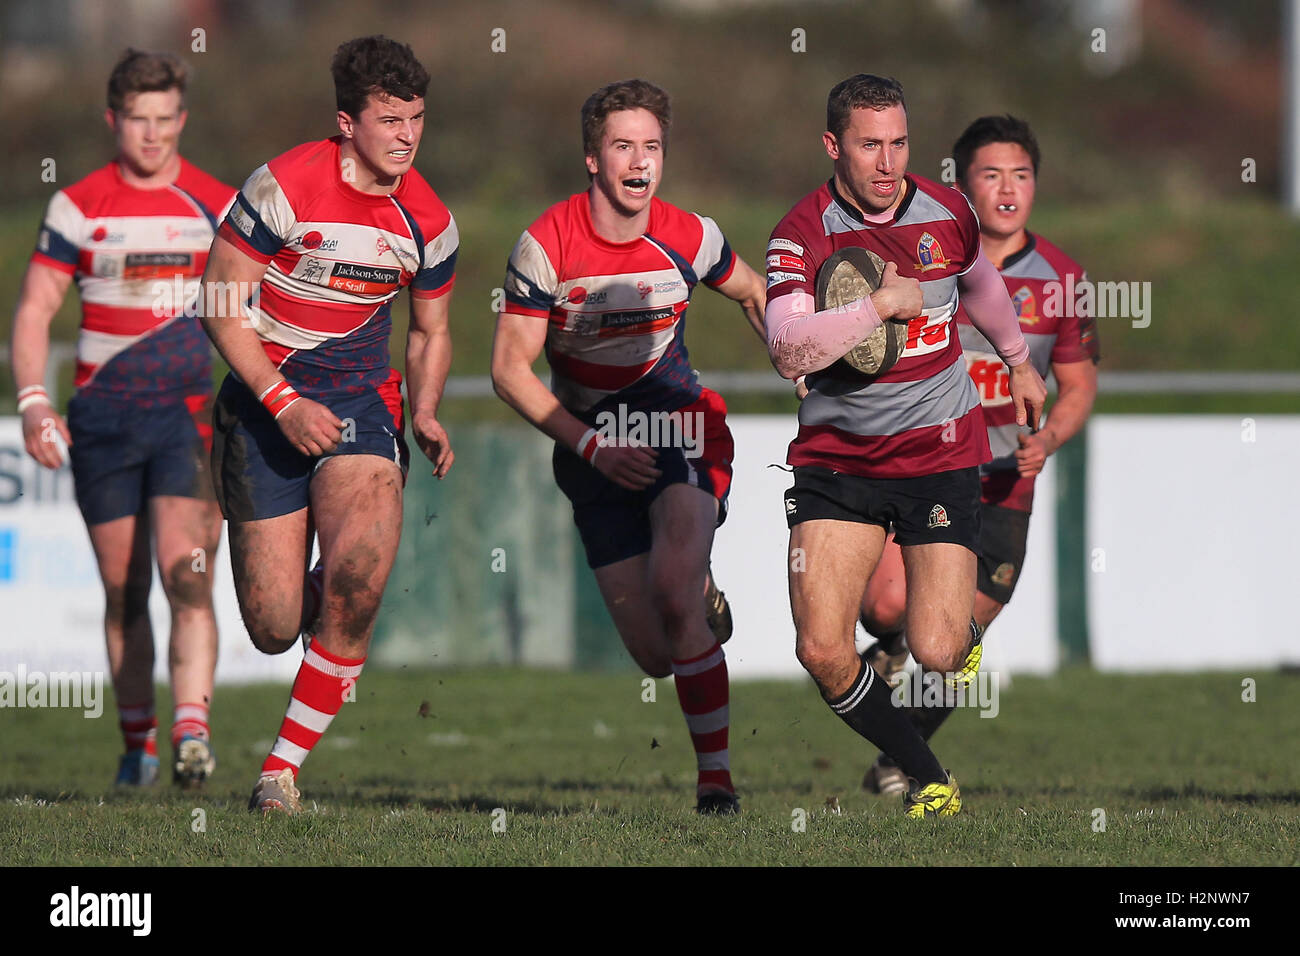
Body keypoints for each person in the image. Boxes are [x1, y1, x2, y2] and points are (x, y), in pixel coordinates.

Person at [765, 74, 1047, 817]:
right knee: (822, 650)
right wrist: (880, 306)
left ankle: (964, 635)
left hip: (940, 453)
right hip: (839, 460)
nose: (888, 164)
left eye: (899, 143)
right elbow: (789, 350)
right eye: (869, 146)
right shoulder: (800, 233)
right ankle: (931, 780)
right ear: (833, 146)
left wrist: (1018, 360)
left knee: (938, 652)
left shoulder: (947, 208)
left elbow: (978, 278)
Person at [198, 35, 458, 814]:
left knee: (360, 576)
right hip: (263, 406)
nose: (407, 136)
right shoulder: (283, 187)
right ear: (347, 123)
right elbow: (218, 302)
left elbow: (431, 331)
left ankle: (279, 774)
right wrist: (281, 401)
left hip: (361, 408)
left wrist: (431, 408)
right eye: (389, 120)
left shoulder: (428, 218)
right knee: (276, 626)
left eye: (416, 118)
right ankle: (318, 596)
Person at [492, 79, 767, 814]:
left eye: (652, 146)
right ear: (593, 159)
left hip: (677, 422)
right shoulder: (546, 245)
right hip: (591, 447)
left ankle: (717, 786)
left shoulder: (689, 234)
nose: (640, 160)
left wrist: (795, 357)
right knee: (657, 651)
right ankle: (697, 596)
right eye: (624, 146)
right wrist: (589, 447)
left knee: (673, 588)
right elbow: (508, 372)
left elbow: (752, 290)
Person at [858, 114, 1100, 796]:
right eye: (990, 175)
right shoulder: (921, 260)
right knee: (882, 611)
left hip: (1002, 486)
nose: (1007, 189)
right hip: (923, 467)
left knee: (956, 643)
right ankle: (892, 655)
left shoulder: (1061, 279)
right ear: (960, 185)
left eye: (1020, 175)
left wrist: (1048, 436)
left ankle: (897, 761)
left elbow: (1078, 385)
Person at [10, 49, 233, 789]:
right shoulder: (76, 206)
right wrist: (35, 403)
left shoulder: (220, 205)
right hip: (102, 420)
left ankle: (191, 735)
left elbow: (258, 309)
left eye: (165, 119)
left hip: (187, 417)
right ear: (114, 120)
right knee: (123, 589)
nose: (152, 135)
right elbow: (36, 311)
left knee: (188, 577)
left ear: (182, 120)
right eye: (138, 120)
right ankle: (136, 743)